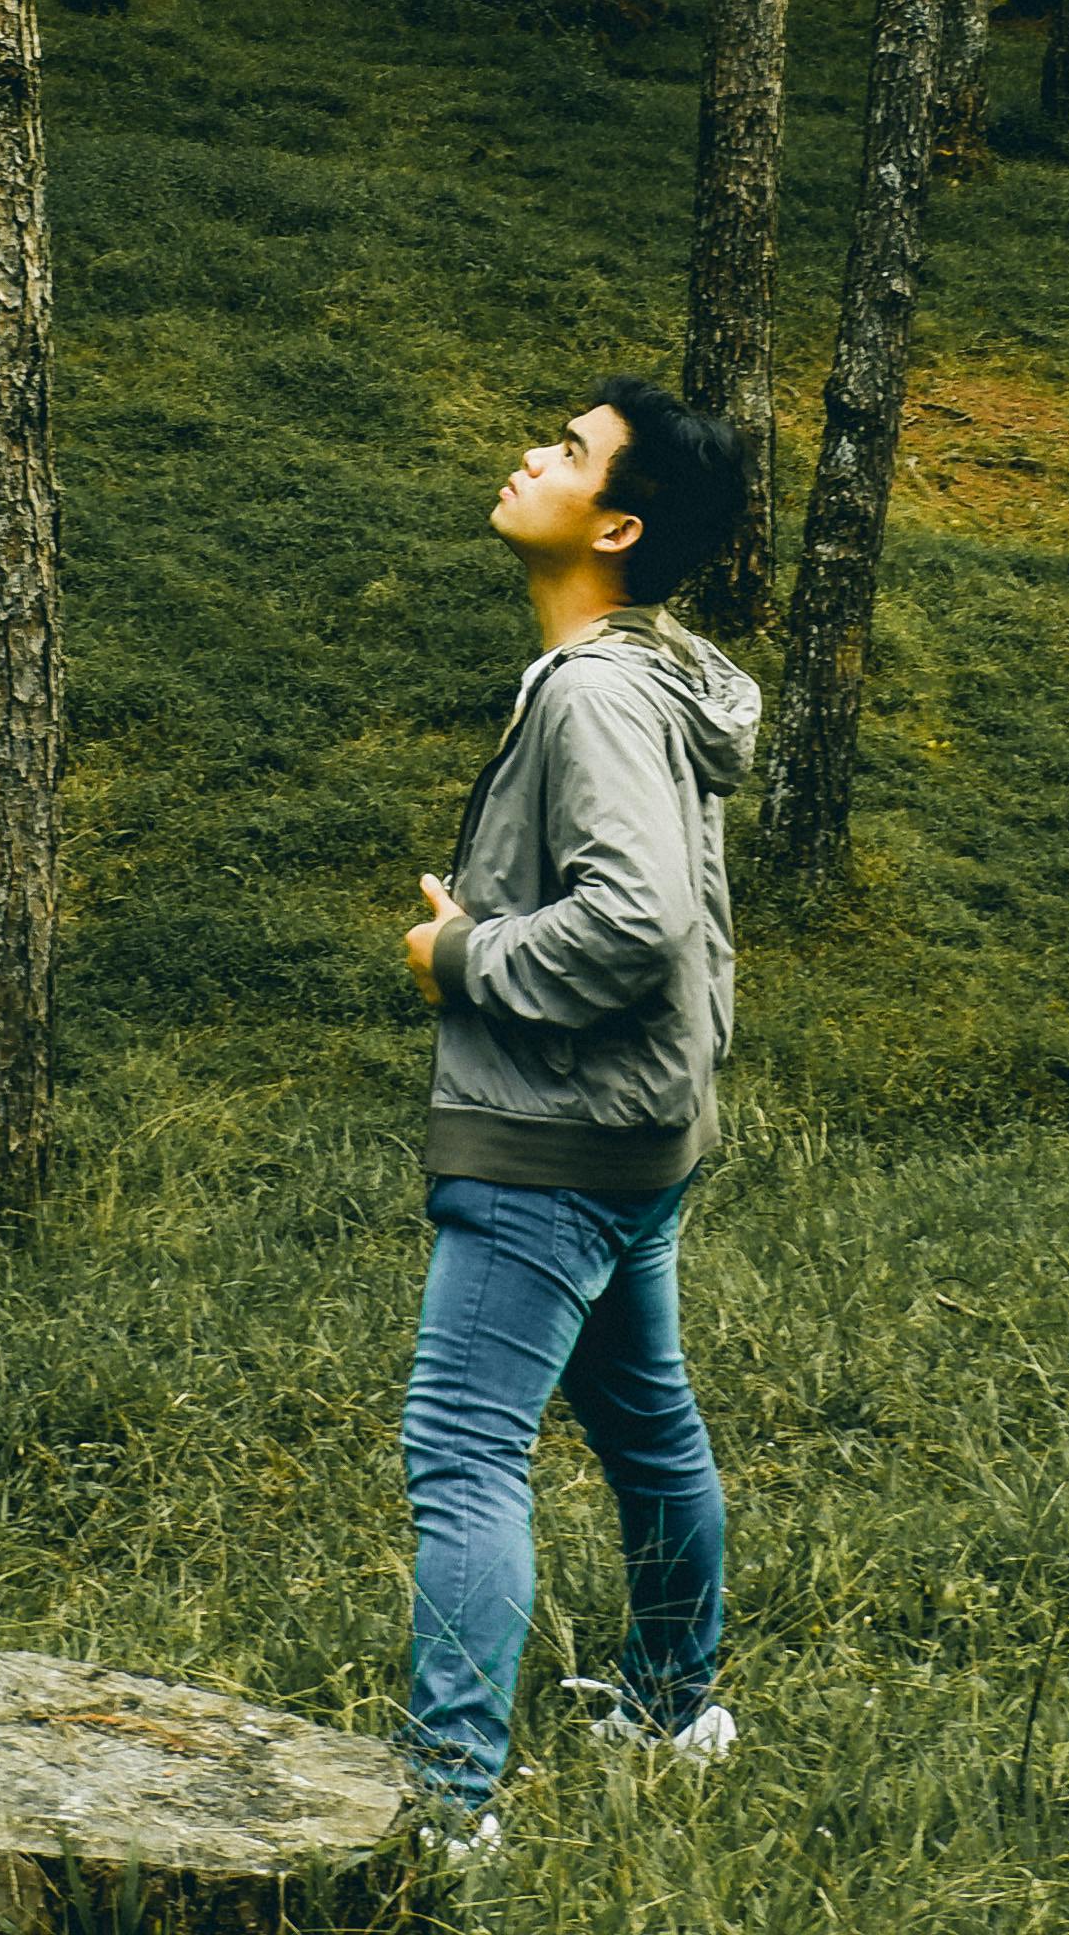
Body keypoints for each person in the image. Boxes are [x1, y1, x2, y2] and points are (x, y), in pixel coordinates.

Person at [389, 377, 761, 1851]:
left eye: (567, 449)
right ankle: (675, 1707)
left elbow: (637, 919)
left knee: (464, 1452)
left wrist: (463, 954)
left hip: (556, 1137)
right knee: (645, 1421)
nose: (528, 451)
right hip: (639, 1128)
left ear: (613, 524)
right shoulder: (640, 673)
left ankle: (444, 1810)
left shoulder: (599, 688)